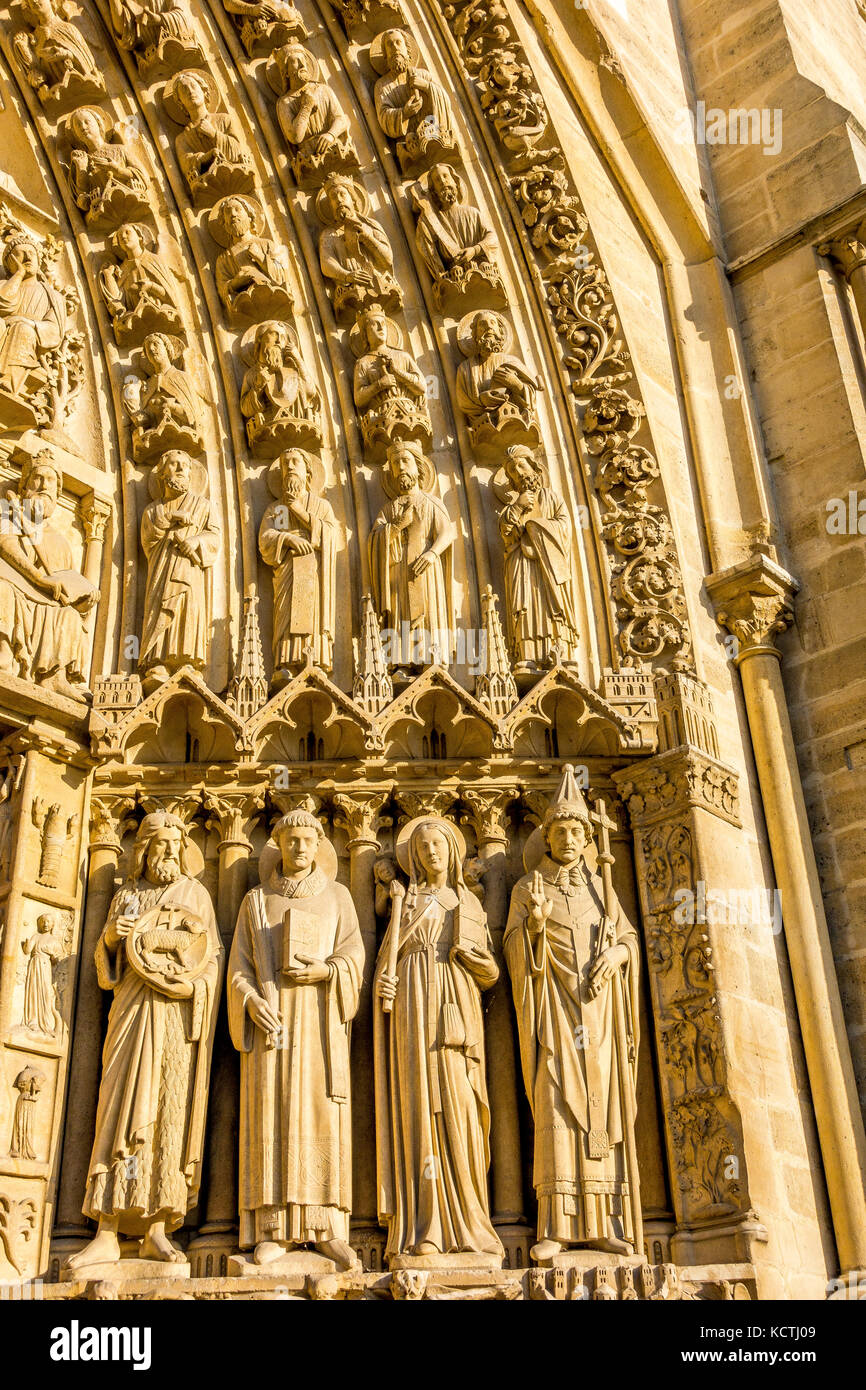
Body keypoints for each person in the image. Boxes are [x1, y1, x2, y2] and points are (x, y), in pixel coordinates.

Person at [227, 810, 364, 1270]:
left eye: (308, 840)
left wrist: (327, 970)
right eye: (291, 840)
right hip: (274, 1022)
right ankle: (273, 1228)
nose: (300, 848)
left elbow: (353, 957)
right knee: (273, 1113)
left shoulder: (338, 896)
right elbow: (237, 969)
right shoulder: (255, 901)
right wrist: (249, 1001)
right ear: (279, 845)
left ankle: (327, 1228)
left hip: (322, 1022)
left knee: (322, 1113)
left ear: (318, 845)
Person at [373, 816, 503, 1262]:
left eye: (439, 845)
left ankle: (472, 1222)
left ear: (452, 851)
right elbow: (387, 961)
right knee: (418, 1112)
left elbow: (491, 974)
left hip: (457, 1006)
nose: (431, 853)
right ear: (413, 855)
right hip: (413, 1003)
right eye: (423, 846)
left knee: (462, 1108)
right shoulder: (403, 902)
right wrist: (381, 987)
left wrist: (472, 960)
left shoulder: (467, 903)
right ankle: (424, 1227)